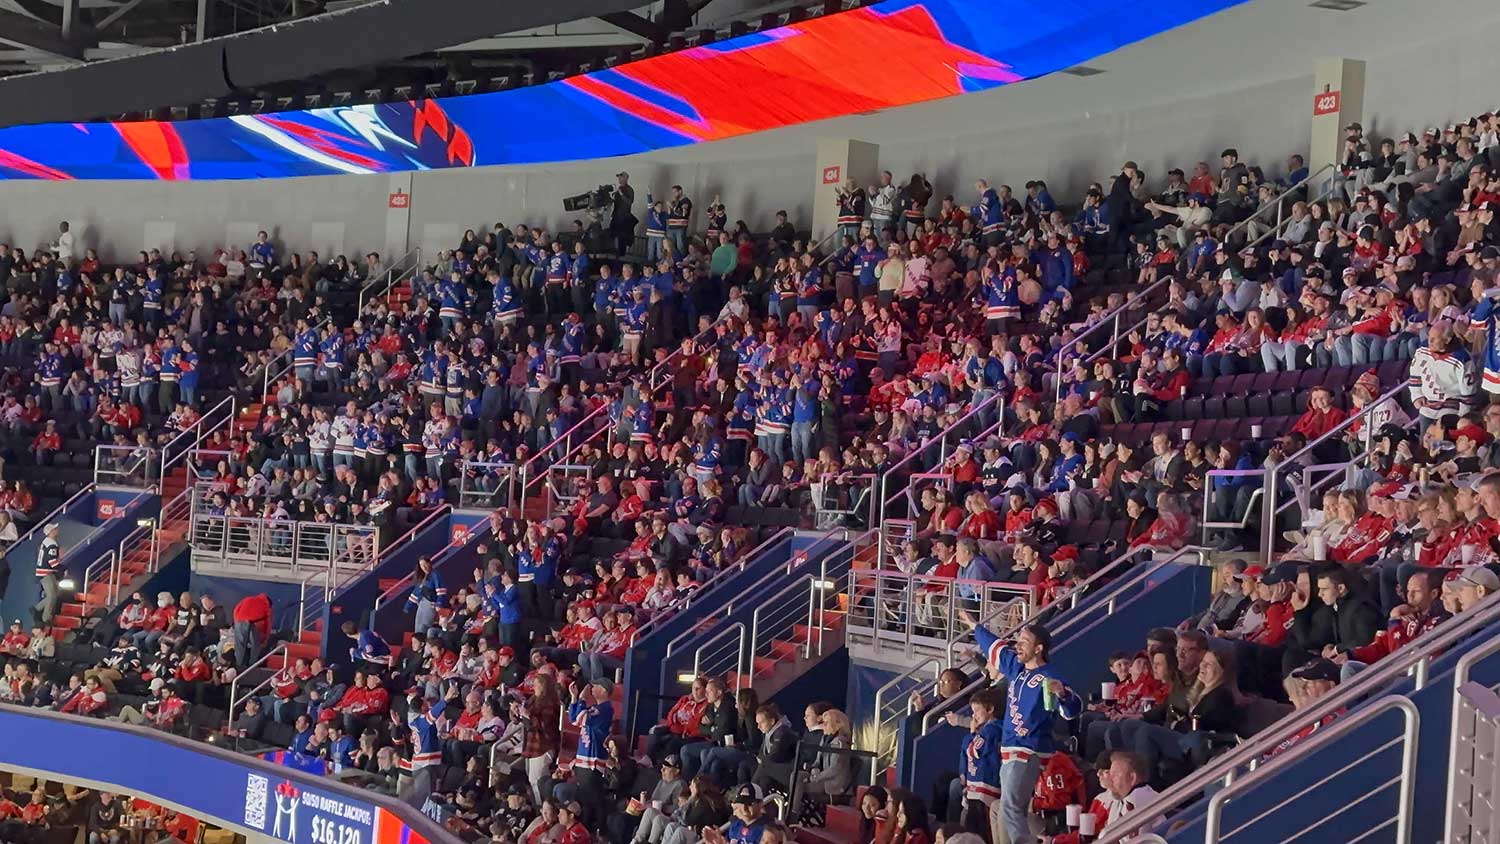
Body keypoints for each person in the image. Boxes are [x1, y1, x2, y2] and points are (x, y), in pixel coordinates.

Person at [972, 622, 1081, 844]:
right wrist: (973, 625)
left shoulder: (1049, 676)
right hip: (1010, 749)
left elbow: (1072, 711)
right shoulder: (1016, 669)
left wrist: (1061, 694)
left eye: (1024, 642)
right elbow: (995, 646)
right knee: (1010, 809)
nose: (1018, 646)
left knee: (1011, 806)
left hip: (1028, 749)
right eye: (1018, 641)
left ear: (1039, 648)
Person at [34, 522, 62, 625]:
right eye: (55, 529)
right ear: (51, 532)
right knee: (51, 594)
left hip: (43, 571)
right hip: (46, 572)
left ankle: (37, 608)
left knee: (56, 592)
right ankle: (46, 618)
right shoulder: (52, 544)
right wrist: (63, 568)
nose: (57, 530)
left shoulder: (45, 542)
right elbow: (52, 562)